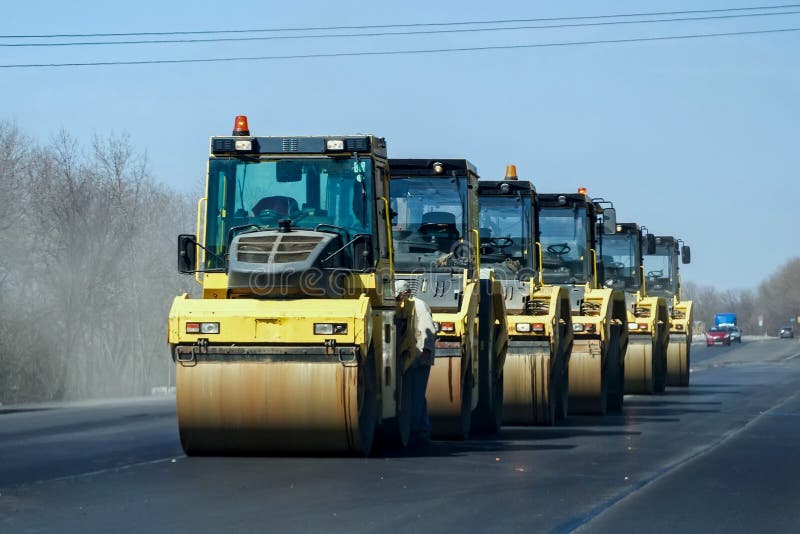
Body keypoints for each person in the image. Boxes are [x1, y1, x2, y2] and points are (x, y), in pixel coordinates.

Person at [395, 280, 435, 446]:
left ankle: (419, 432)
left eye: (399, 297)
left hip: (419, 357)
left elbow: (428, 330)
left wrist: (425, 353)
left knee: (416, 396)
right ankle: (419, 429)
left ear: (404, 293)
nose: (397, 300)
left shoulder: (419, 306)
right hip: (411, 357)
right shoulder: (405, 306)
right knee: (413, 396)